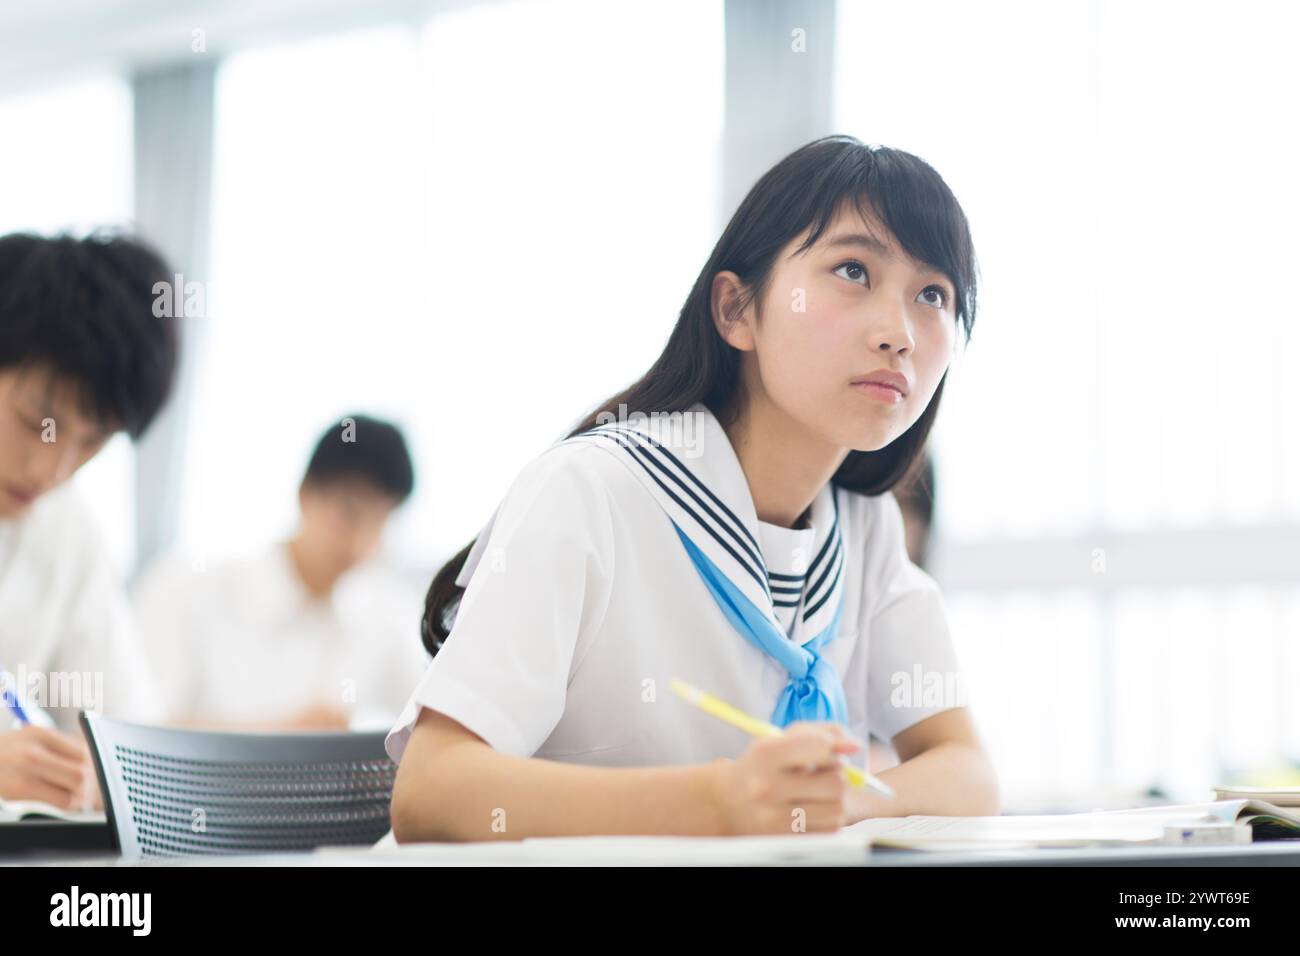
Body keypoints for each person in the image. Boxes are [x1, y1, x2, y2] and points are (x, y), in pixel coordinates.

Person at [389, 135, 999, 842]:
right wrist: (716, 801)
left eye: (932, 294)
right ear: (736, 309)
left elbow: (967, 769)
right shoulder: (589, 491)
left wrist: (842, 800)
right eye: (853, 270)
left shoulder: (865, 530)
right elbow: (431, 790)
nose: (899, 332)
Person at [0, 232, 177, 810]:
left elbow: (132, 742)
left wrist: (91, 777)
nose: (52, 467)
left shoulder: (63, 527)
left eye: (92, 442)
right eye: (35, 421)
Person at [132, 414, 429, 731]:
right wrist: (285, 734)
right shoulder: (187, 588)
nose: (359, 543)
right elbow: (137, 726)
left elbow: (431, 722)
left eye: (380, 523)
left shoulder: (384, 622)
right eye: (349, 512)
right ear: (306, 494)